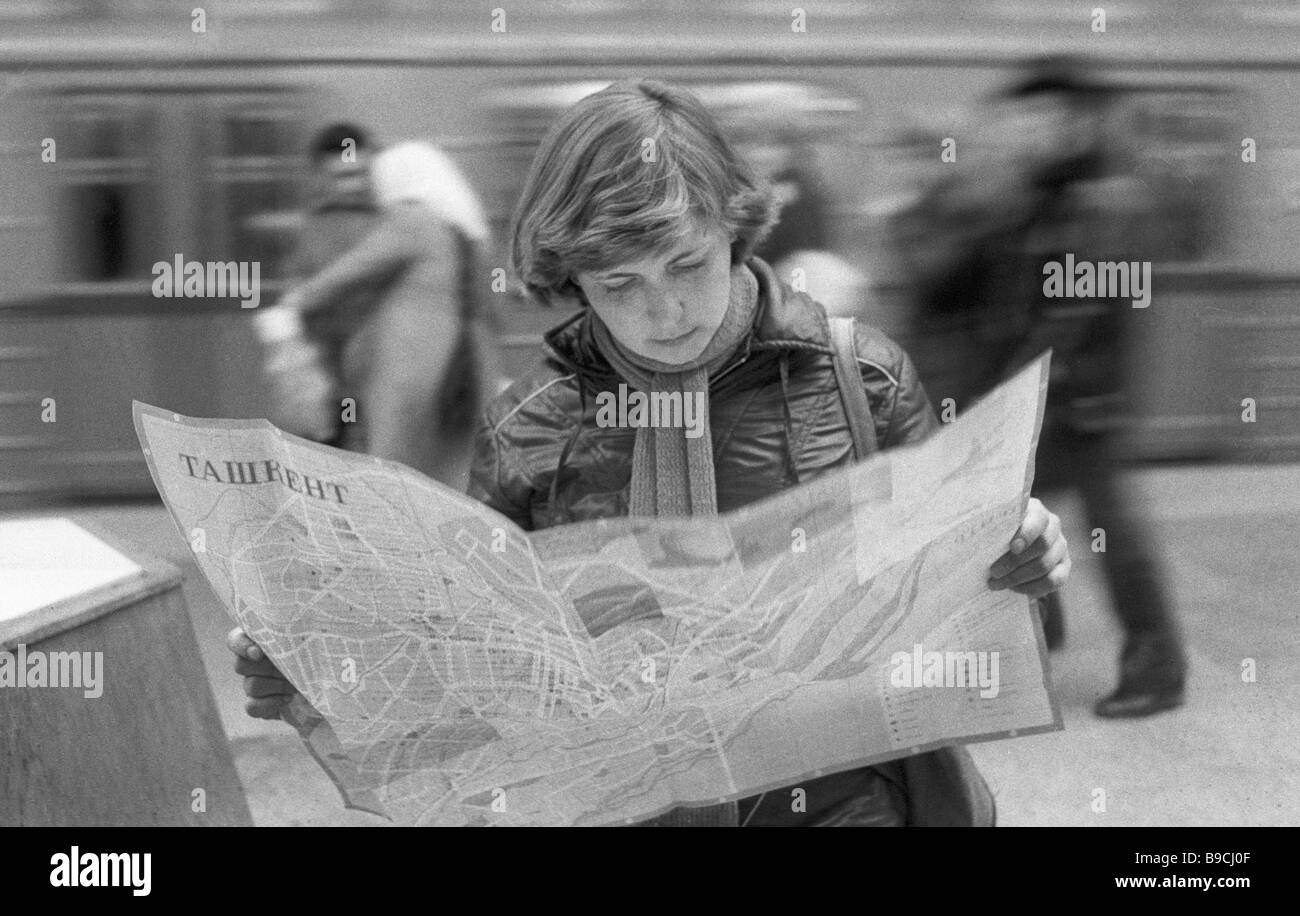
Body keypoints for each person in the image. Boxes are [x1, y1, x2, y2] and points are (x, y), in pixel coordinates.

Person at [230, 78, 1072, 826]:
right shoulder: (529, 428)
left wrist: (1022, 566)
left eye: (686, 265)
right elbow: (479, 682)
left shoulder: (863, 379)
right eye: (618, 285)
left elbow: (964, 616)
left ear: (733, 229)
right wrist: (322, 678)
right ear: (570, 281)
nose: (665, 313)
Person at [890, 57, 1186, 718]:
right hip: (1031, 398)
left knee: (1117, 537)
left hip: (1083, 403)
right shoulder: (1029, 197)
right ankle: (1039, 631)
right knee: (1018, 522)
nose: (1029, 130)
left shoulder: (1110, 203)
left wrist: (1006, 390)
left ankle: (1157, 668)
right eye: (1021, 118)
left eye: (1045, 118)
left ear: (1080, 123)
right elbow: (963, 288)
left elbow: (1075, 315)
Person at [268, 140, 505, 489]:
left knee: (396, 469)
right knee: (450, 468)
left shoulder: (412, 220)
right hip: (467, 366)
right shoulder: (467, 233)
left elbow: (351, 271)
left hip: (412, 367)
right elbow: (495, 303)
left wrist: (295, 302)